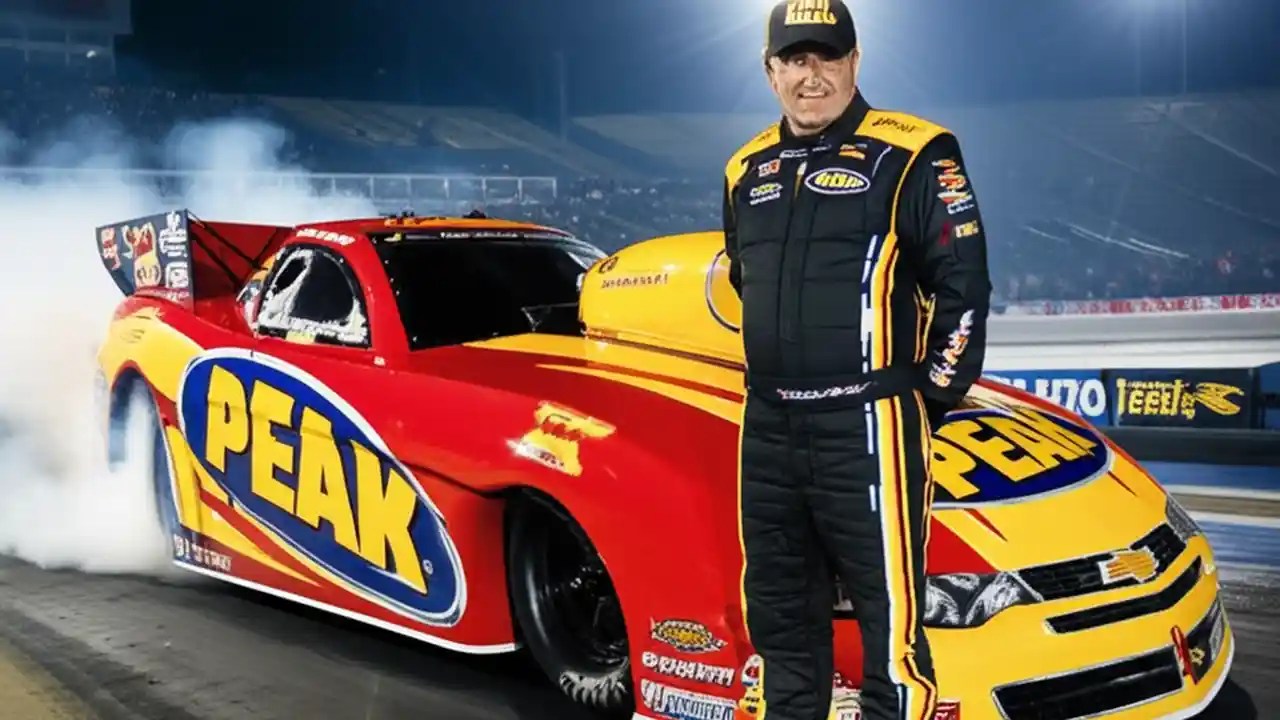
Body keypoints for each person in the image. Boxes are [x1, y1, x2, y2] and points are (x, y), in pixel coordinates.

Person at [723, 1, 993, 719]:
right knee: (780, 621)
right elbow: (747, 285)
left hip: (869, 423)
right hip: (769, 426)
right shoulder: (744, 168)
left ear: (856, 61)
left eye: (828, 56)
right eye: (795, 58)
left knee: (892, 637)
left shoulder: (916, 151)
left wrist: (924, 399)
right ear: (770, 69)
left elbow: (964, 289)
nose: (811, 75)